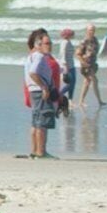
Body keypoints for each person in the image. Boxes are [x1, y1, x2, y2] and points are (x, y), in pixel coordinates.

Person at [23, 29, 68, 158]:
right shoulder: (39, 56)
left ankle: (35, 151)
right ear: (39, 44)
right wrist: (44, 88)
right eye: (47, 43)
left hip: (34, 91)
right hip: (39, 92)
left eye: (50, 43)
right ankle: (41, 152)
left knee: (36, 121)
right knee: (42, 122)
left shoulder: (33, 56)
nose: (50, 46)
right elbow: (33, 73)